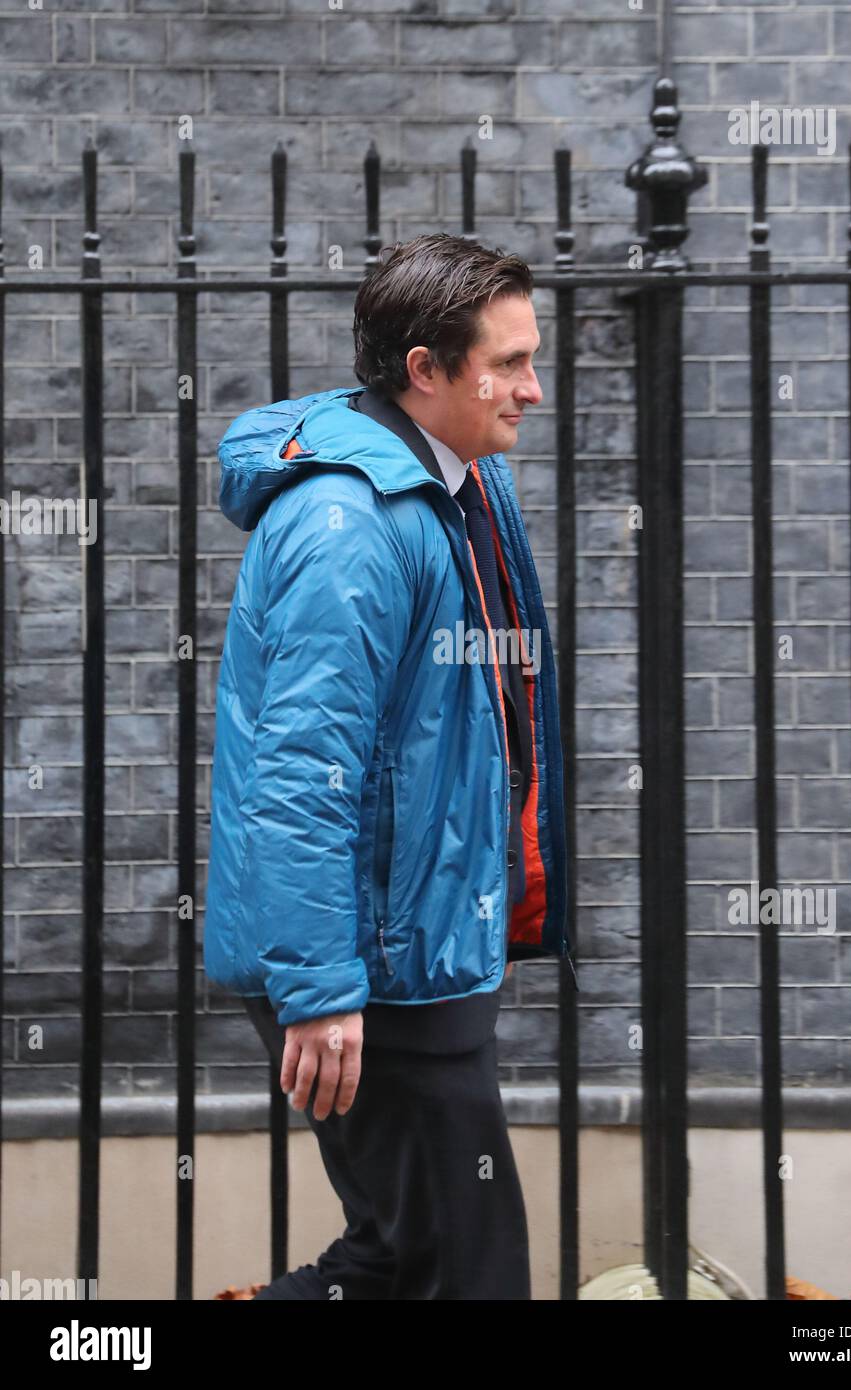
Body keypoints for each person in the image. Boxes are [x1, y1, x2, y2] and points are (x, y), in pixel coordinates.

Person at [203, 232, 576, 1299]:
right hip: (374, 966)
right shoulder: (350, 523)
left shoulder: (446, 477)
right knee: (459, 1272)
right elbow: (301, 768)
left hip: (416, 948)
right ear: (425, 369)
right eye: (507, 363)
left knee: (407, 1259)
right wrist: (322, 989)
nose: (531, 389)